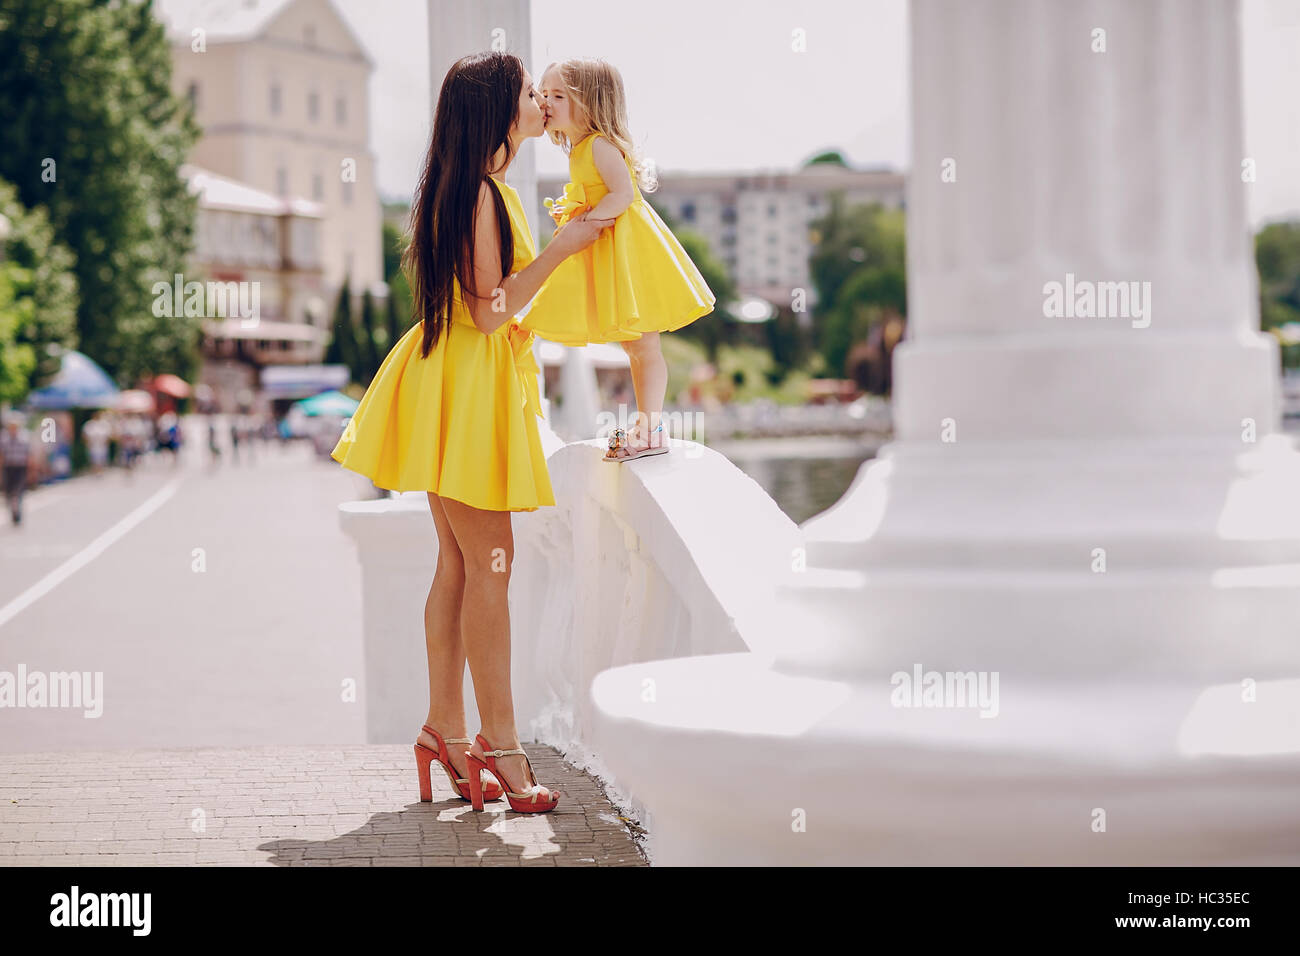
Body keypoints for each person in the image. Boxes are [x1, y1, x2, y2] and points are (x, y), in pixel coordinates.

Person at [330, 51, 611, 813]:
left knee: (459, 564)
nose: (538, 102)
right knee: (488, 567)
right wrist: (566, 245)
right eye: (527, 93)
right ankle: (501, 747)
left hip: (446, 377)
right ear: (497, 109)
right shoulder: (482, 193)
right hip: (466, 378)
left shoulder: (462, 186)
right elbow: (492, 309)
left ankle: (446, 733)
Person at [522, 57, 715, 461]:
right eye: (544, 92)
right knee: (635, 347)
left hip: (629, 252)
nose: (545, 101)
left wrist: (586, 219)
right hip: (614, 248)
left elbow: (623, 194)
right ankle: (648, 426)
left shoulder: (598, 146)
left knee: (644, 346)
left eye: (558, 95)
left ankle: (652, 428)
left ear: (589, 104)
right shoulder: (579, 149)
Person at [0, 413, 33, 525]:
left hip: (20, 467)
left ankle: (17, 510)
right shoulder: (4, 438)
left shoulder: (24, 437)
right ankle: (13, 509)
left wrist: (31, 470)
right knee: (8, 491)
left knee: (18, 490)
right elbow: (2, 455)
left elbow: (29, 455)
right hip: (8, 467)